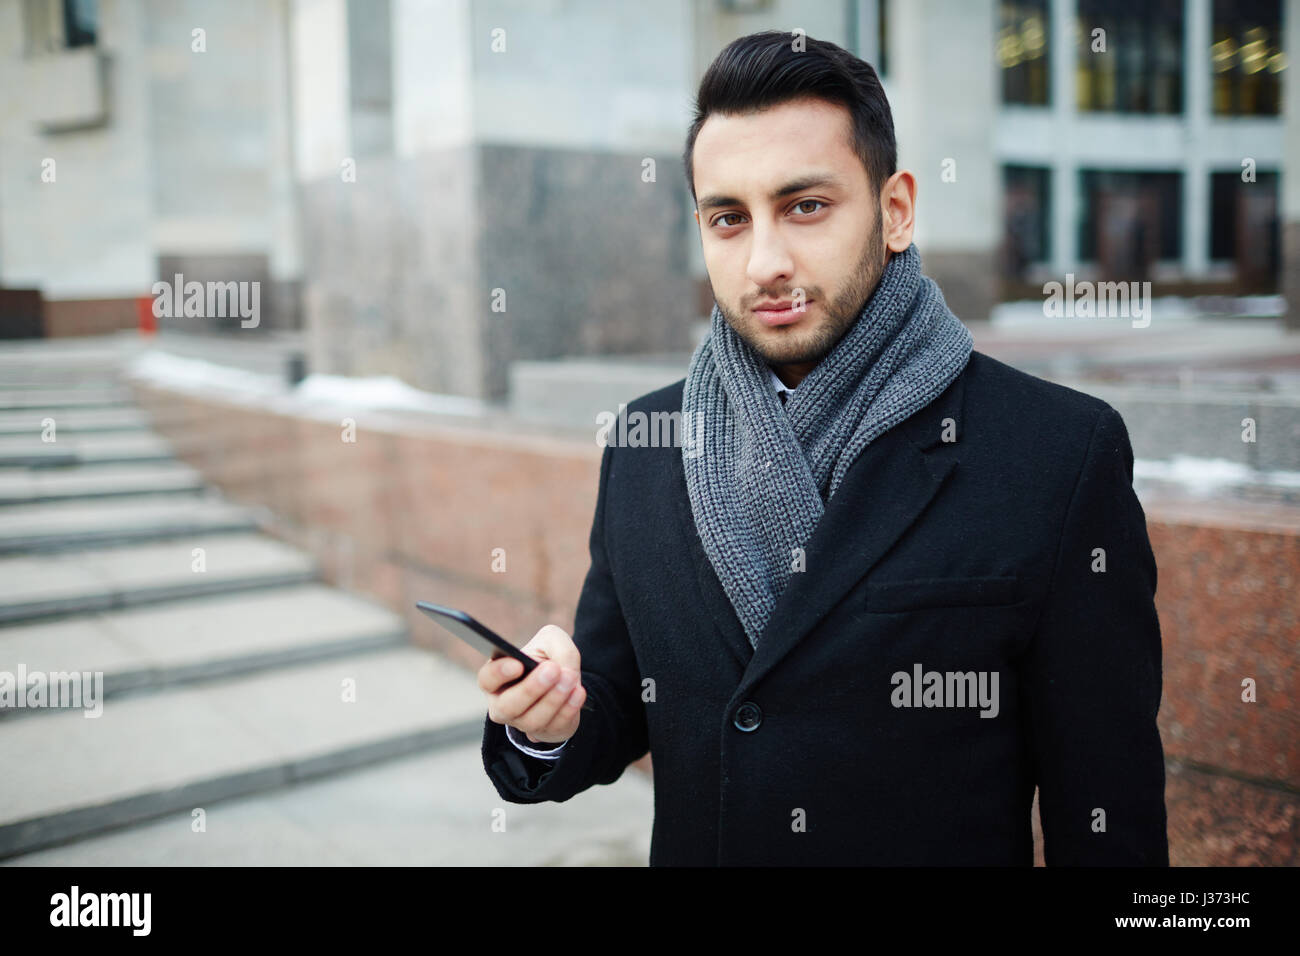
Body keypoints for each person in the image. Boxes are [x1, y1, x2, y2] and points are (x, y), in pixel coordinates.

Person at [478, 30, 1169, 866]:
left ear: (896, 210)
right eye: (728, 219)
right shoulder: (647, 441)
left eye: (805, 206)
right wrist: (549, 719)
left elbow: (1108, 808)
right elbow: (621, 704)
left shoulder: (1056, 452)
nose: (765, 262)